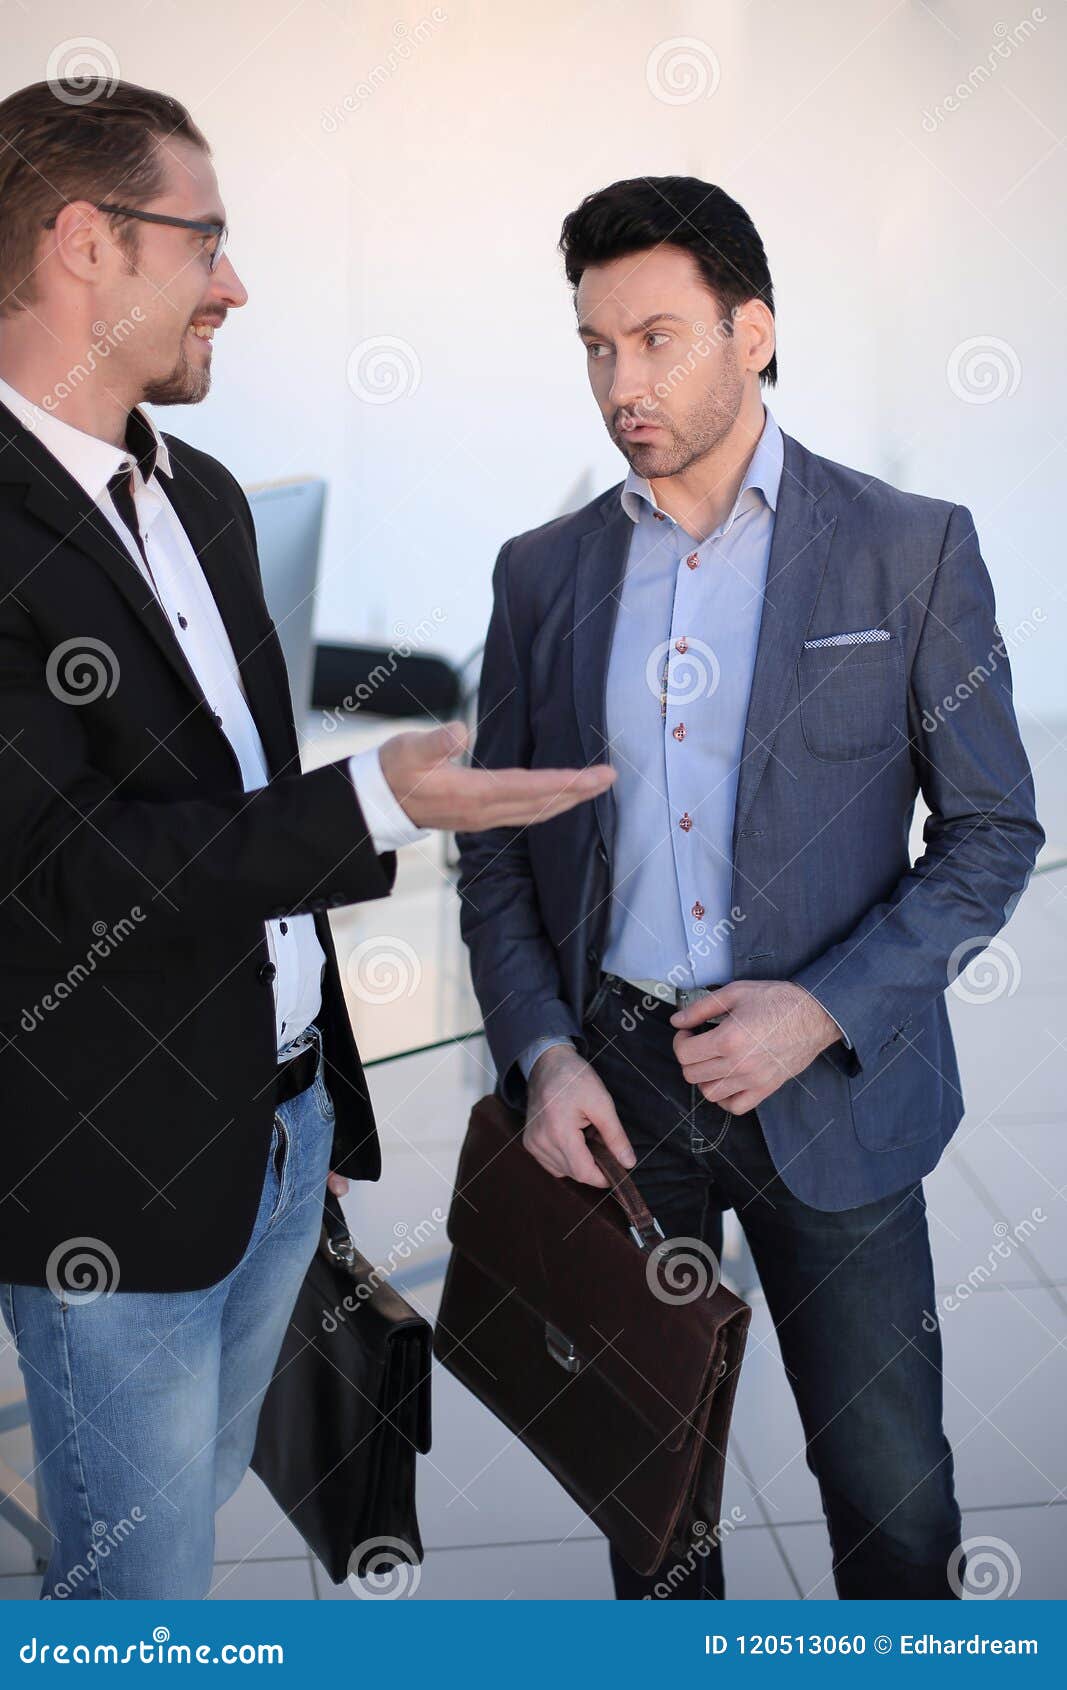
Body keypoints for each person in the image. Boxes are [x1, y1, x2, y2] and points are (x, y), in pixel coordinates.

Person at [0, 79, 612, 1601]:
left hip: (273, 1136)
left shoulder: (196, 494)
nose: (235, 281)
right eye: (204, 240)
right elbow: (72, 880)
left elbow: (230, 810)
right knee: (134, 1593)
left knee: (197, 1503)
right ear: (84, 242)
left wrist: (314, 1102)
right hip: (113, 1180)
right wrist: (384, 796)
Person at [456, 175, 1044, 1599]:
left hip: (831, 1088)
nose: (622, 382)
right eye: (597, 345)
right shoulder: (545, 574)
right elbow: (494, 843)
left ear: (756, 332)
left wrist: (820, 1007)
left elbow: (993, 833)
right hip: (616, 1094)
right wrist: (541, 1051)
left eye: (657, 337)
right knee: (652, 1510)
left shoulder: (910, 547)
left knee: (891, 1494)